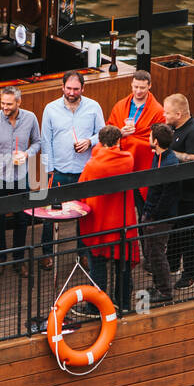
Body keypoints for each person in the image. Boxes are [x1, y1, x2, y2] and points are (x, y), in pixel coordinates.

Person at [38, 70, 105, 268]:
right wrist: (48, 170)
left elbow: (102, 133)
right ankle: (47, 253)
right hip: (58, 170)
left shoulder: (93, 107)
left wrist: (89, 141)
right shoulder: (50, 109)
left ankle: (83, 252)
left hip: (85, 171)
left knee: (84, 214)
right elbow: (45, 141)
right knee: (50, 214)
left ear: (83, 89)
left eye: (76, 89)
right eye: (68, 88)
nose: (72, 92)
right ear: (62, 87)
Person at [0, 86, 41, 277]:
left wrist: (27, 154)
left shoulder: (30, 118)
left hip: (21, 176)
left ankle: (18, 260)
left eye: (8, 104)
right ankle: (0, 259)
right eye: (2, 103)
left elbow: (38, 142)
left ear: (19, 102)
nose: (4, 107)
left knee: (22, 219)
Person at [78, 125, 138, 311]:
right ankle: (124, 303)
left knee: (98, 266)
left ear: (101, 142)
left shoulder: (93, 165)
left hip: (99, 224)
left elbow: (81, 191)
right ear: (119, 141)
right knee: (124, 265)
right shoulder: (128, 159)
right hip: (123, 222)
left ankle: (96, 308)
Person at [162, 93, 194, 290]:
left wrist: (171, 153)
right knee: (175, 226)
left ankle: (191, 274)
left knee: (188, 230)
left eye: (167, 113)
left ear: (179, 113)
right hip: (178, 190)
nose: (164, 116)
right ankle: (172, 264)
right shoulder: (175, 128)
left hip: (192, 192)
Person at [106, 70, 166, 206]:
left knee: (141, 205)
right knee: (119, 206)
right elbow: (108, 130)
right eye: (135, 87)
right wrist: (120, 133)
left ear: (149, 86)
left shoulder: (158, 111)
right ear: (131, 85)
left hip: (142, 165)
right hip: (120, 165)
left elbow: (159, 140)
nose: (138, 91)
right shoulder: (120, 105)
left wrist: (132, 140)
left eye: (142, 88)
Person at [140, 123, 180, 303]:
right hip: (152, 213)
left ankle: (165, 291)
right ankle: (159, 286)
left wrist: (154, 214)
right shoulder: (160, 157)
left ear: (155, 141)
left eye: (150, 137)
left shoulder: (168, 163)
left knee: (157, 253)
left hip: (159, 217)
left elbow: (168, 195)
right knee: (152, 252)